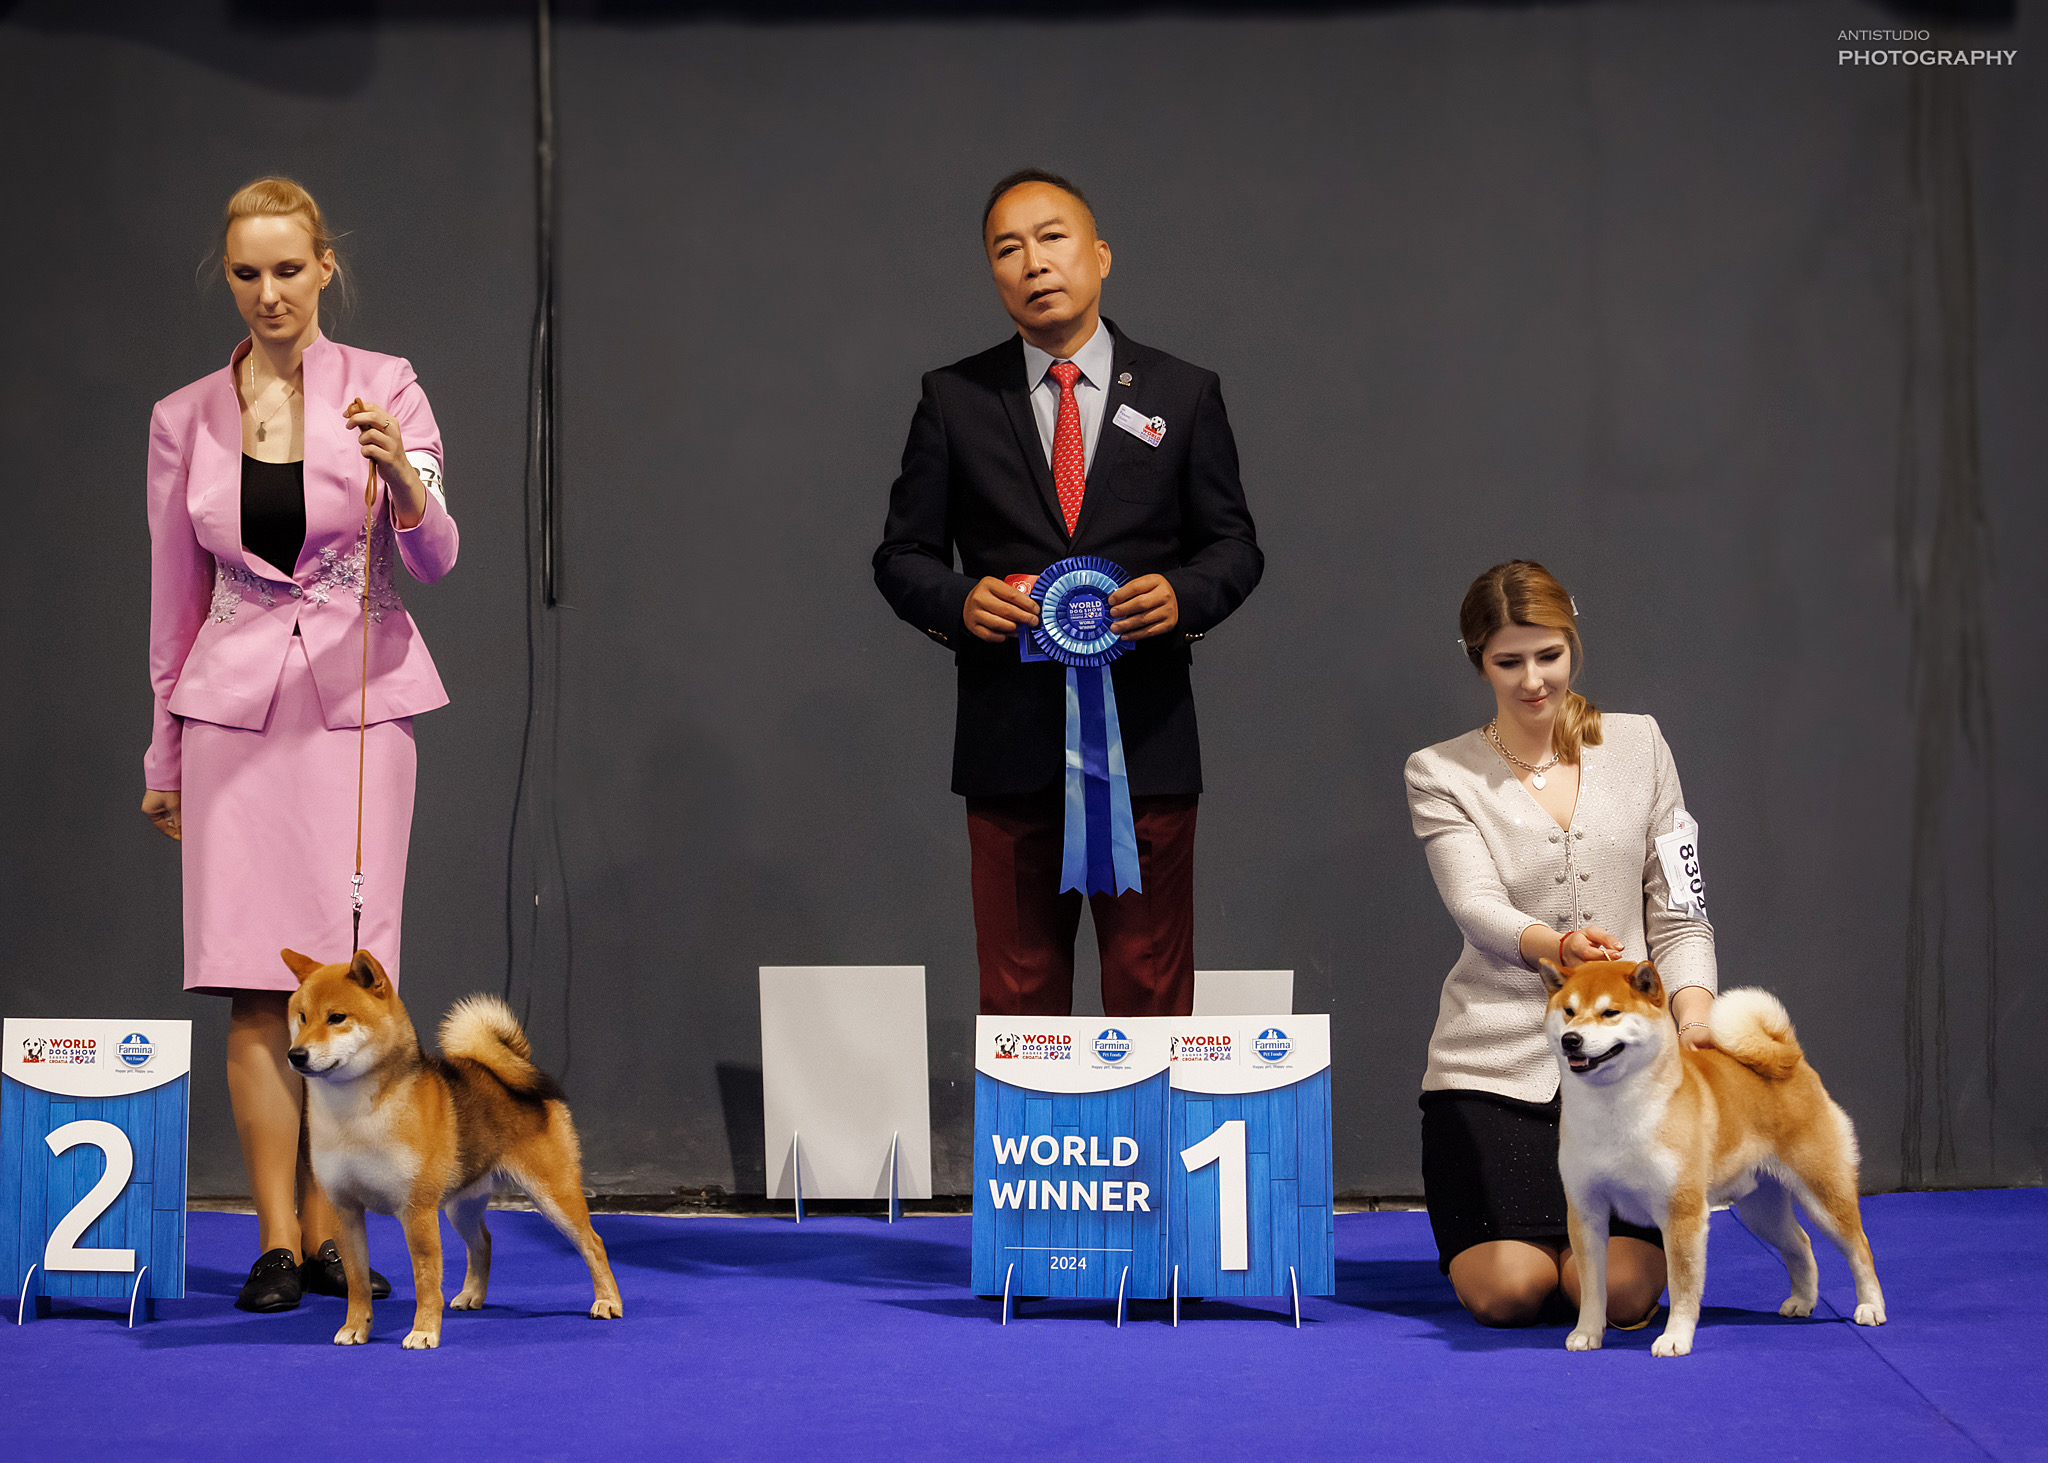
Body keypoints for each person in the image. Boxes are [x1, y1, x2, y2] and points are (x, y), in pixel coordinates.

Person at [141, 178, 460, 1312]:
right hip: (230, 719)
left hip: (357, 712)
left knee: (353, 986)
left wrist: (400, 479)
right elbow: (171, 603)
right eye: (247, 273)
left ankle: (339, 1233)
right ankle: (278, 1239)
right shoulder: (182, 418)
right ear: (225, 278)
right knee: (247, 989)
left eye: (288, 269)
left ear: (325, 267)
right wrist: (163, 751)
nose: (269, 293)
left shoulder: (388, 386)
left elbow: (436, 555)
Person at [874, 169, 1262, 1018]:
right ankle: (1040, 1155)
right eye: (1007, 249)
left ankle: (1150, 1157)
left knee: (1152, 983)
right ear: (993, 275)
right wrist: (959, 603)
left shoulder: (1183, 392)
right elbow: (901, 555)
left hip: (1147, 745)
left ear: (1100, 255)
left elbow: (1235, 546)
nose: (1033, 262)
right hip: (1006, 744)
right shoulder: (953, 398)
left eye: (1051, 238)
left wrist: (1184, 595)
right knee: (1018, 995)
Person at [1403, 560, 1717, 1327]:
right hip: (1493, 1069)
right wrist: (1557, 943)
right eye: (1509, 661)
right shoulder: (1441, 771)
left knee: (1616, 1292)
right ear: (1477, 659)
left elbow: (1680, 908)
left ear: (1572, 643)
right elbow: (1476, 905)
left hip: (1632, 1077)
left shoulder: (1641, 745)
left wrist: (1699, 1019)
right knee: (1509, 1290)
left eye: (1549, 655)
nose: (1533, 679)